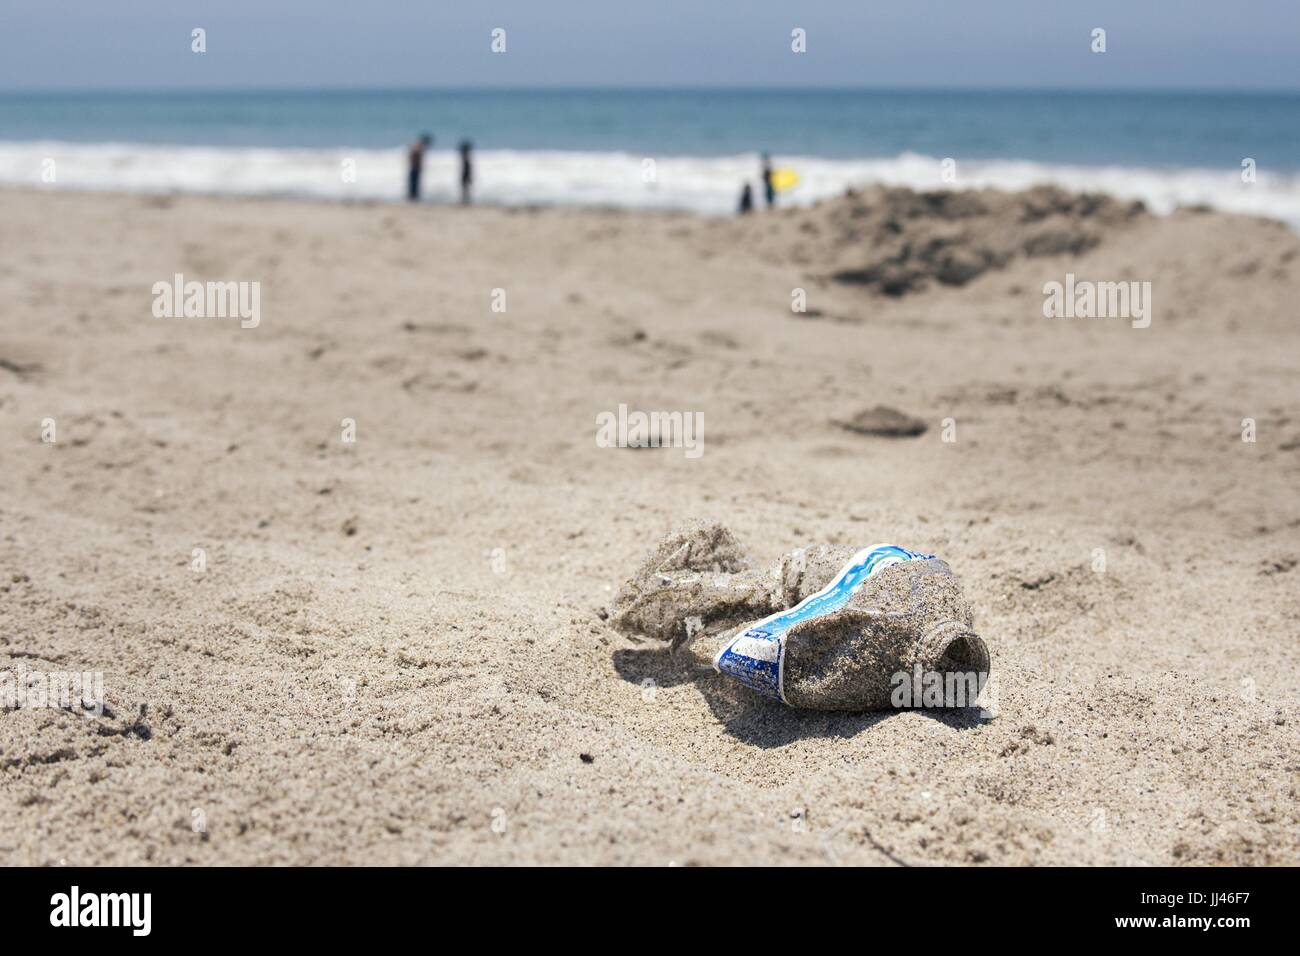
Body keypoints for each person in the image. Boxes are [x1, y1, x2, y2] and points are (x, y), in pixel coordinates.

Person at [407, 133, 432, 201]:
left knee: (414, 186)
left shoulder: (418, 146)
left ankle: (413, 198)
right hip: (414, 169)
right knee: (414, 185)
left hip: (414, 168)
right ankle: (413, 198)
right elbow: (414, 157)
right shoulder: (419, 146)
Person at [459, 140, 474, 205]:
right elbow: (467, 168)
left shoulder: (464, 156)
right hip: (465, 174)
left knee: (465, 189)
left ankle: (465, 201)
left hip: (464, 174)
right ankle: (465, 201)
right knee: (466, 189)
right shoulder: (465, 157)